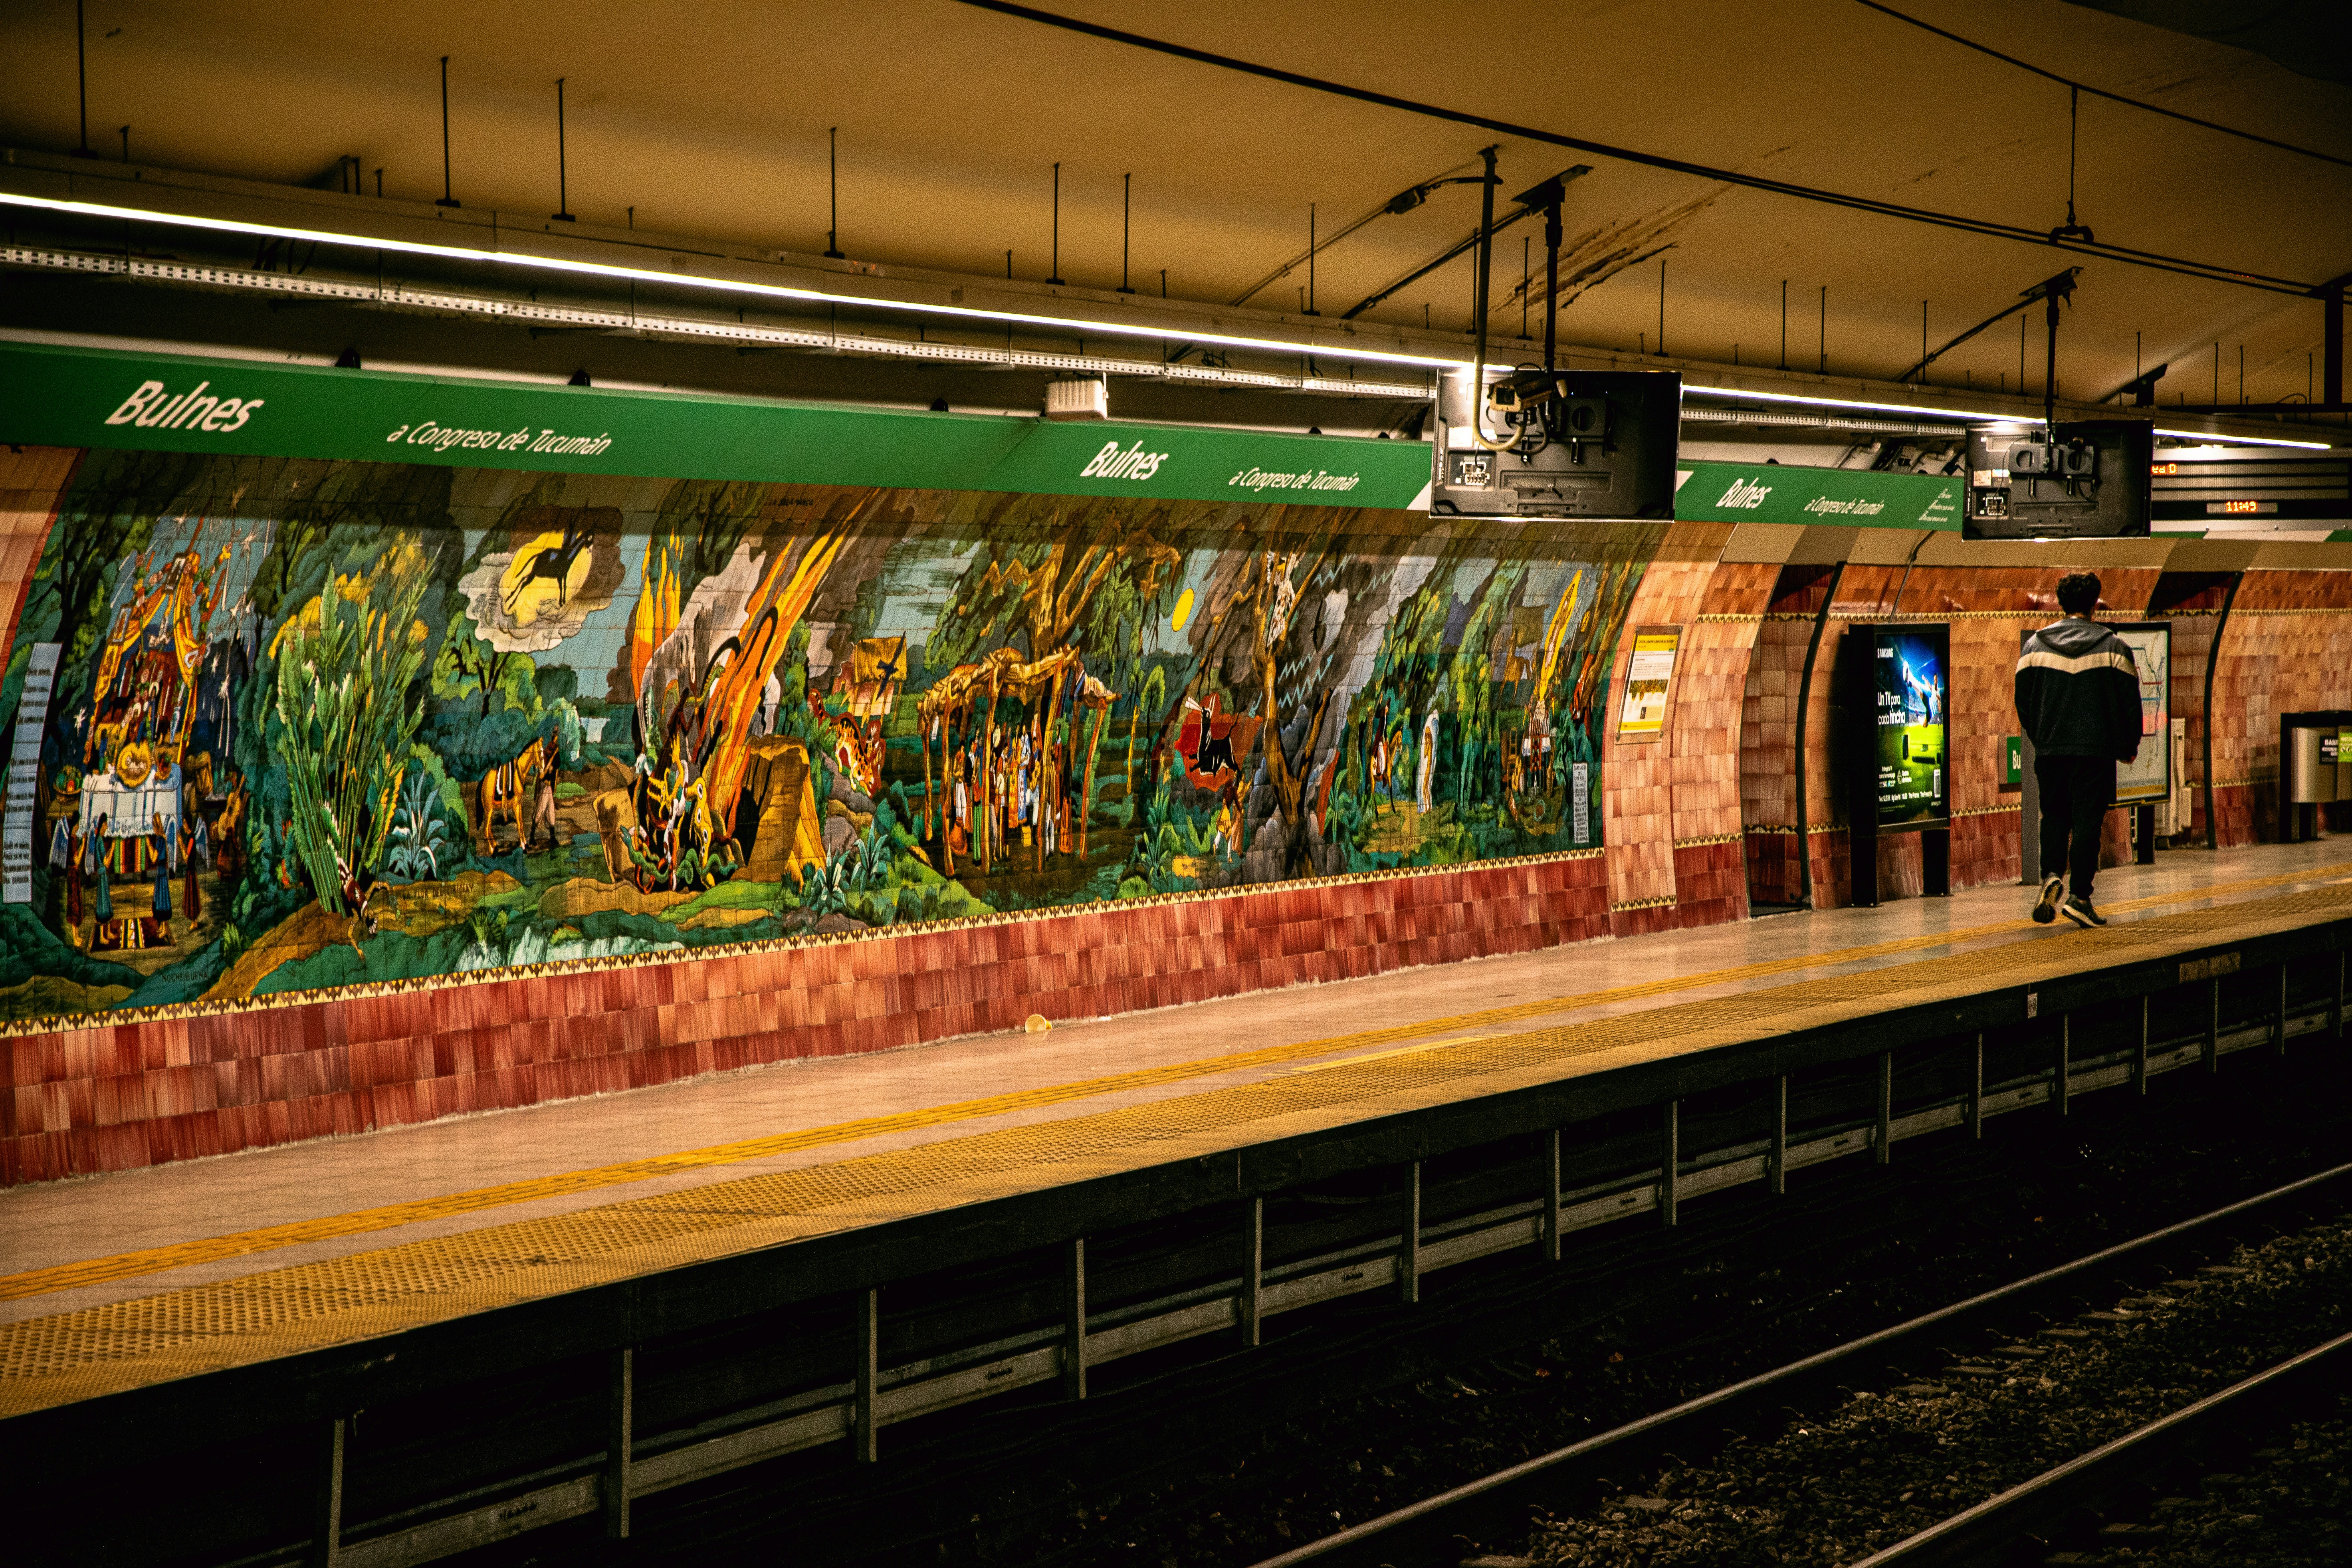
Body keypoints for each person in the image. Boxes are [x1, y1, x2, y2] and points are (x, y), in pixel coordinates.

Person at [2015, 571, 2142, 928]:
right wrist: (2128, 744)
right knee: (2087, 820)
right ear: (2094, 604)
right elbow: (2129, 704)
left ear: (2061, 603)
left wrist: (2042, 736)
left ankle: (2051, 875)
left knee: (2054, 815)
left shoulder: (2034, 647)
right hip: (2094, 751)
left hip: (2051, 749)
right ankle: (2079, 896)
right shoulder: (2114, 648)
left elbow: (2022, 699)